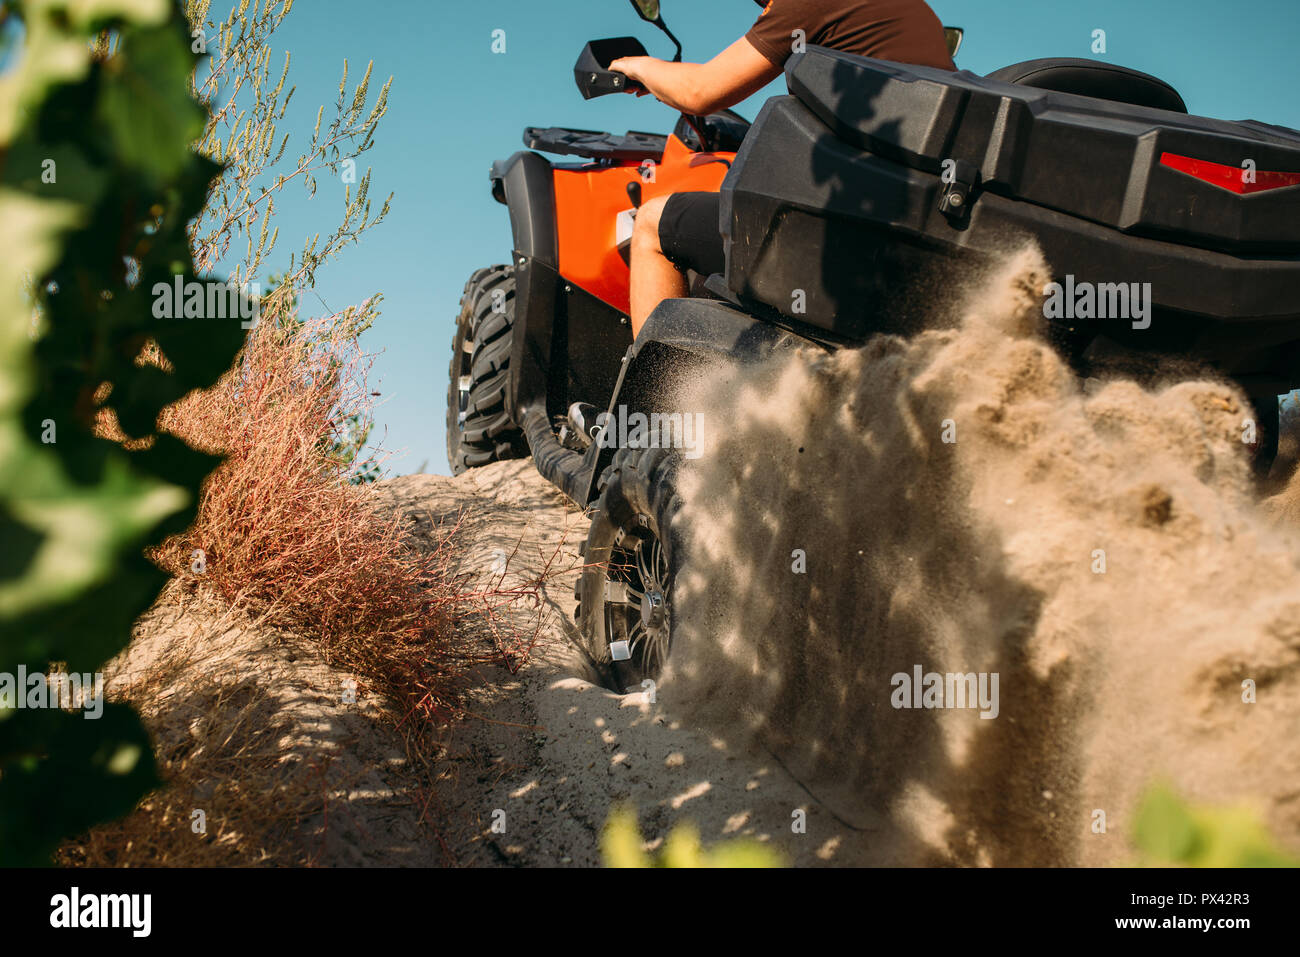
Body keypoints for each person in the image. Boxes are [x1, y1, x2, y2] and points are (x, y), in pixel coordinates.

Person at [611, 0, 956, 338]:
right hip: (918, 232)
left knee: (652, 224)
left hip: (845, 241)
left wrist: (636, 66)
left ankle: (652, 393)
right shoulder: (912, 10)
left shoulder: (804, 4)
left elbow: (700, 90)